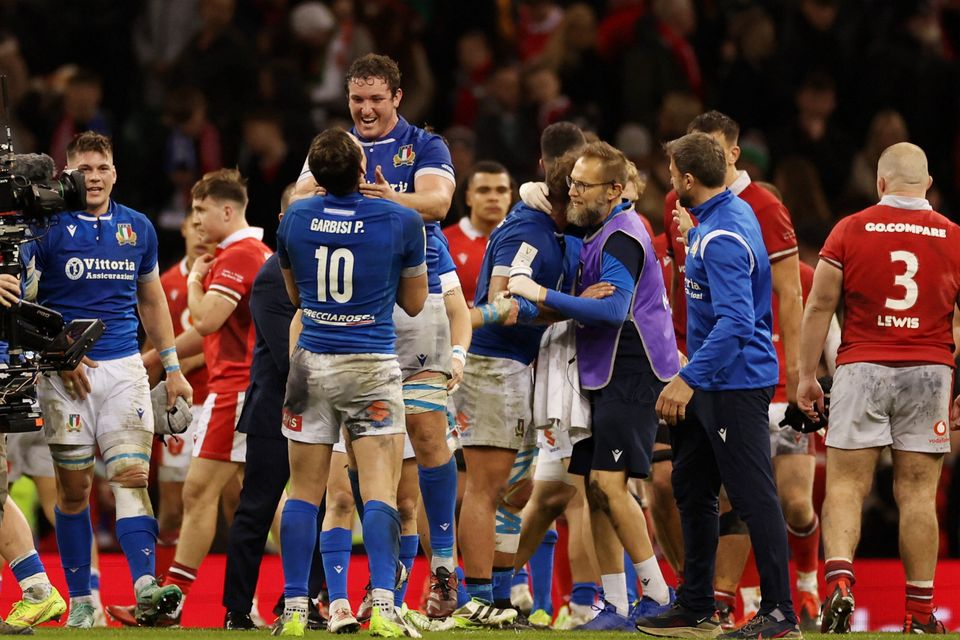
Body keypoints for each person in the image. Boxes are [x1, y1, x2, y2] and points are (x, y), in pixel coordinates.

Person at [296, 53, 462, 622]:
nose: (365, 110)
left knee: (427, 432)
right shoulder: (335, 148)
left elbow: (438, 203)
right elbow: (296, 202)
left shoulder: (425, 145)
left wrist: (382, 198)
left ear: (397, 97)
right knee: (355, 458)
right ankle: (364, 587)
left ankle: (444, 567)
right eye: (357, 99)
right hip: (351, 303)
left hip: (417, 295)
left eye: (375, 99)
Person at [21, 131, 191, 628]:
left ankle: (145, 588)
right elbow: (23, 301)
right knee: (73, 491)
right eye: (84, 170)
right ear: (67, 175)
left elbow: (151, 299)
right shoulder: (45, 227)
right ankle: (81, 601)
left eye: (102, 168)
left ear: (115, 173)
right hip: (63, 374)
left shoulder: (137, 228)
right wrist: (58, 352)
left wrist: (173, 368)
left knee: (132, 477)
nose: (93, 178)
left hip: (123, 370)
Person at [508, 141, 679, 630]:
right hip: (602, 373)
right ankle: (616, 605)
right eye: (572, 183)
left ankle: (657, 594)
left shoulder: (623, 235)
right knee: (596, 491)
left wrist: (541, 293)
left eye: (584, 185)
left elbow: (612, 310)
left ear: (614, 190)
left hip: (633, 370)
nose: (574, 192)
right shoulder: (600, 230)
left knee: (609, 484)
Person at [638, 132, 799, 639]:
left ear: (688, 180)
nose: (669, 181)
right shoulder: (723, 216)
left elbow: (736, 323)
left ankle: (780, 613)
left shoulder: (722, 236)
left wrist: (687, 379)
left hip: (733, 382)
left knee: (752, 495)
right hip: (716, 379)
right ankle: (696, 607)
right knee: (691, 486)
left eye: (672, 174)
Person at [797, 142, 960, 634]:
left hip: (862, 366)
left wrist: (806, 376)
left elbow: (819, 305)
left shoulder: (850, 228)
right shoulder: (954, 235)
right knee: (917, 493)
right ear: (927, 185)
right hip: (929, 371)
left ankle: (840, 584)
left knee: (847, 486)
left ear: (880, 183)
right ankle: (920, 613)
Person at [274, 128, 427, 638]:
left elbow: (296, 297)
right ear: (363, 169)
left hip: (312, 363)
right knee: (380, 490)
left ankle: (295, 610)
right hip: (371, 365)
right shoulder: (403, 219)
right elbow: (414, 303)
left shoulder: (294, 217)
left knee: (304, 492)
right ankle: (383, 606)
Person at [452, 121, 584, 627]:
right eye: (572, 173)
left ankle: (502, 599)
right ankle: (476, 599)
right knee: (486, 487)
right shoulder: (528, 230)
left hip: (519, 366)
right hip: (492, 365)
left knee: (513, 491)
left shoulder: (554, 227)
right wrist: (569, 307)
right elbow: (500, 302)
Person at [154, 168, 272, 621]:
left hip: (235, 389)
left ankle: (172, 601)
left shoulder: (238, 256)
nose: (196, 220)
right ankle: (305, 592)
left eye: (201, 210)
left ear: (227, 210)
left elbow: (205, 322)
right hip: (250, 387)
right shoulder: (254, 252)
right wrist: (154, 359)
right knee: (260, 497)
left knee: (199, 492)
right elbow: (207, 334)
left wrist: (193, 282)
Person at [220, 183, 324, 631]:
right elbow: (288, 356)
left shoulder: (323, 266)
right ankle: (237, 609)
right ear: (284, 221)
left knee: (320, 506)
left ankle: (303, 601)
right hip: (275, 411)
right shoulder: (270, 277)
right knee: (258, 508)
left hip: (318, 406)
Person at [443, 161, 513, 305]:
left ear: (510, 197)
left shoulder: (525, 242)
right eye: (483, 190)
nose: (493, 197)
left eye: (501, 190)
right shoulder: (444, 242)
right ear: (468, 197)